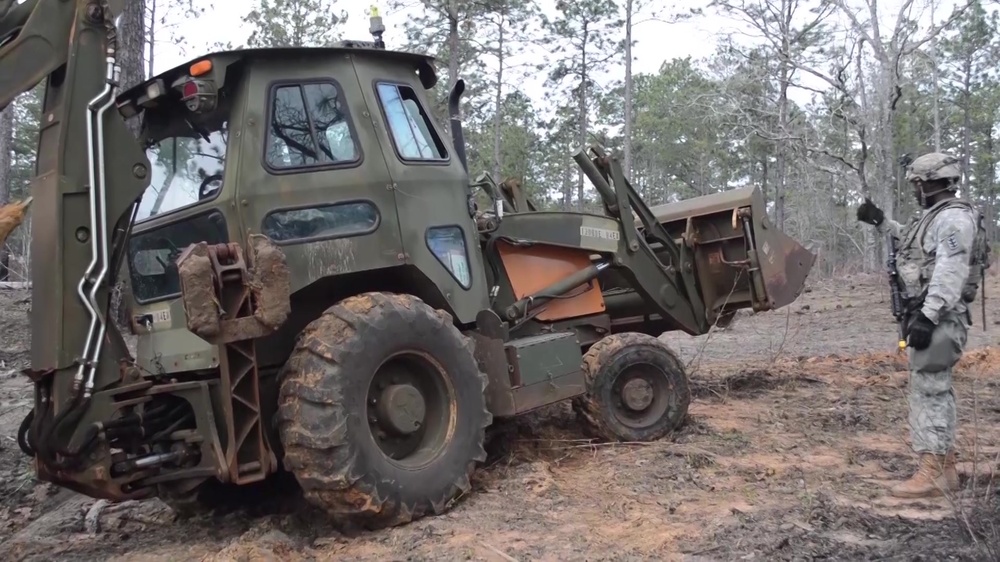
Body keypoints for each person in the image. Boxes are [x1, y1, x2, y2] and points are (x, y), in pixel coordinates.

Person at [856, 151, 987, 499]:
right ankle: (942, 465)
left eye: (917, 184)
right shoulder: (936, 217)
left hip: (940, 317)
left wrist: (929, 316)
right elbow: (914, 245)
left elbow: (950, 269)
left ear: (931, 183)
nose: (915, 190)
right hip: (930, 313)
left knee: (930, 389)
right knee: (931, 387)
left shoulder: (954, 220)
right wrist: (882, 222)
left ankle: (933, 470)